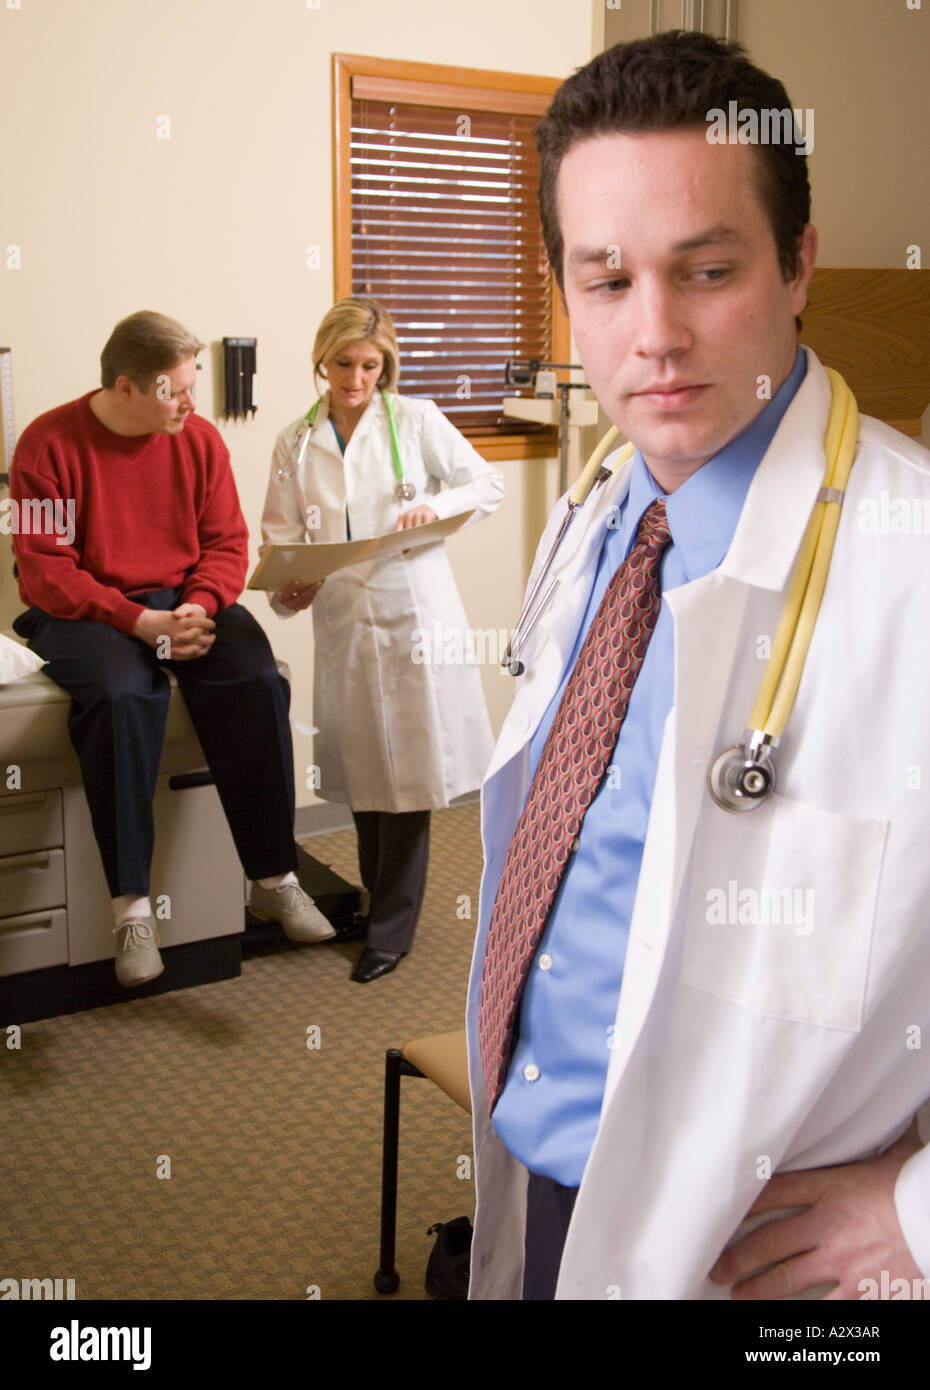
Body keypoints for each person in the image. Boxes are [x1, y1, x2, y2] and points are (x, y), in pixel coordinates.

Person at [465, 32, 930, 1300]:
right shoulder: (603, 512)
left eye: (707, 270)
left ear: (800, 265)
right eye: (605, 280)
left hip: (762, 1256)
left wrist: (917, 1213)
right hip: (546, 1175)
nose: (655, 335)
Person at [10, 310, 336, 989]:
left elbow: (224, 544)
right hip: (86, 610)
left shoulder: (199, 440)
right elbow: (47, 570)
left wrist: (199, 605)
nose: (191, 402)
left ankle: (273, 878)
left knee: (257, 676)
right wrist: (137, 623)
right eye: (176, 389)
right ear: (126, 387)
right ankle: (132, 909)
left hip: (182, 599)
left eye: (191, 387)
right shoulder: (46, 444)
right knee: (126, 693)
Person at [261, 297, 504, 983]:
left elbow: (487, 483)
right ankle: (379, 907)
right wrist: (290, 586)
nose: (357, 379)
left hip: (412, 614)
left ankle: (391, 929)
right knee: (366, 774)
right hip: (342, 616)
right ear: (322, 360)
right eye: (344, 364)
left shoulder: (417, 420)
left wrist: (438, 506)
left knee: (411, 777)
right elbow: (281, 540)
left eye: (371, 366)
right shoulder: (295, 441)